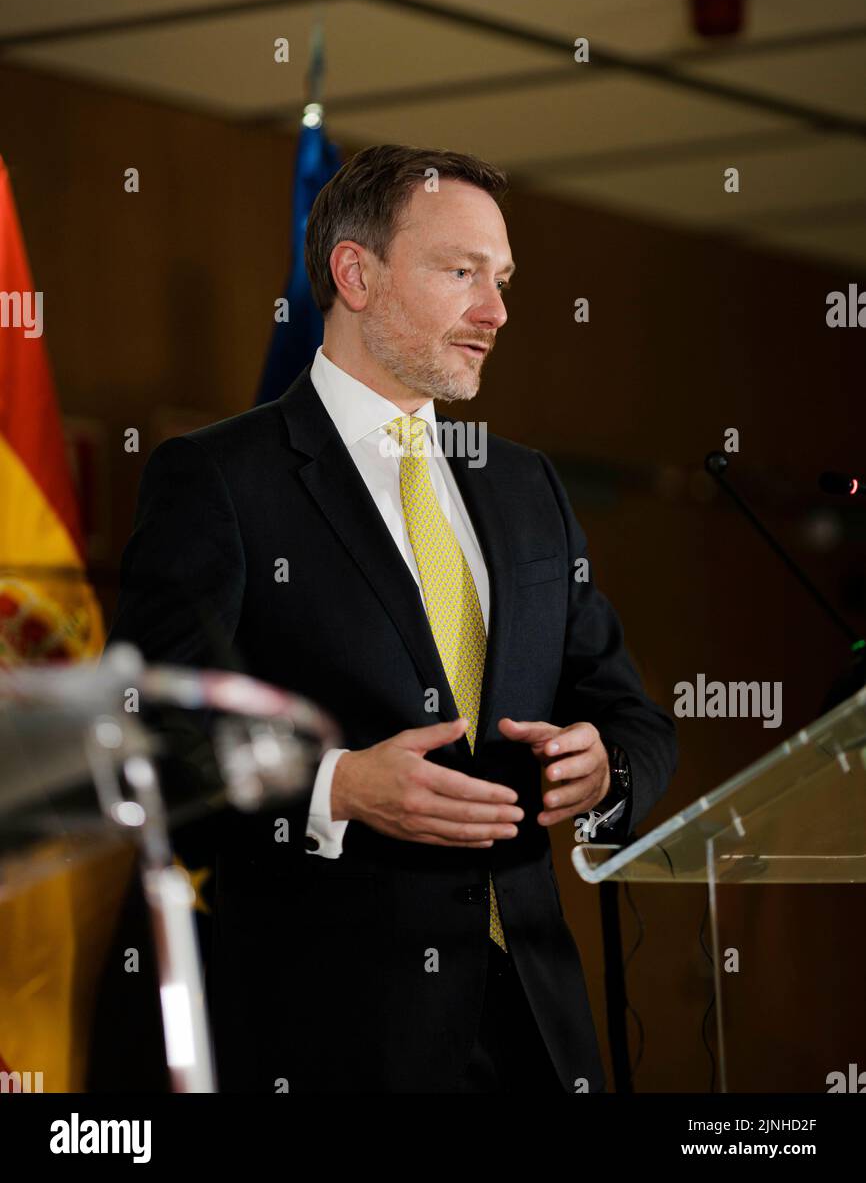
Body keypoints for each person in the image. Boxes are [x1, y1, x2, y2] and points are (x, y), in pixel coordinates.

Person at [107, 143, 677, 1093]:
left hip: (538, 1027)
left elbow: (632, 715)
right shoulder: (219, 479)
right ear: (355, 273)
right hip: (331, 1036)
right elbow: (149, 736)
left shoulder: (527, 485)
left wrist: (606, 767)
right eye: (462, 273)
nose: (496, 311)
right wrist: (336, 788)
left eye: (501, 280)